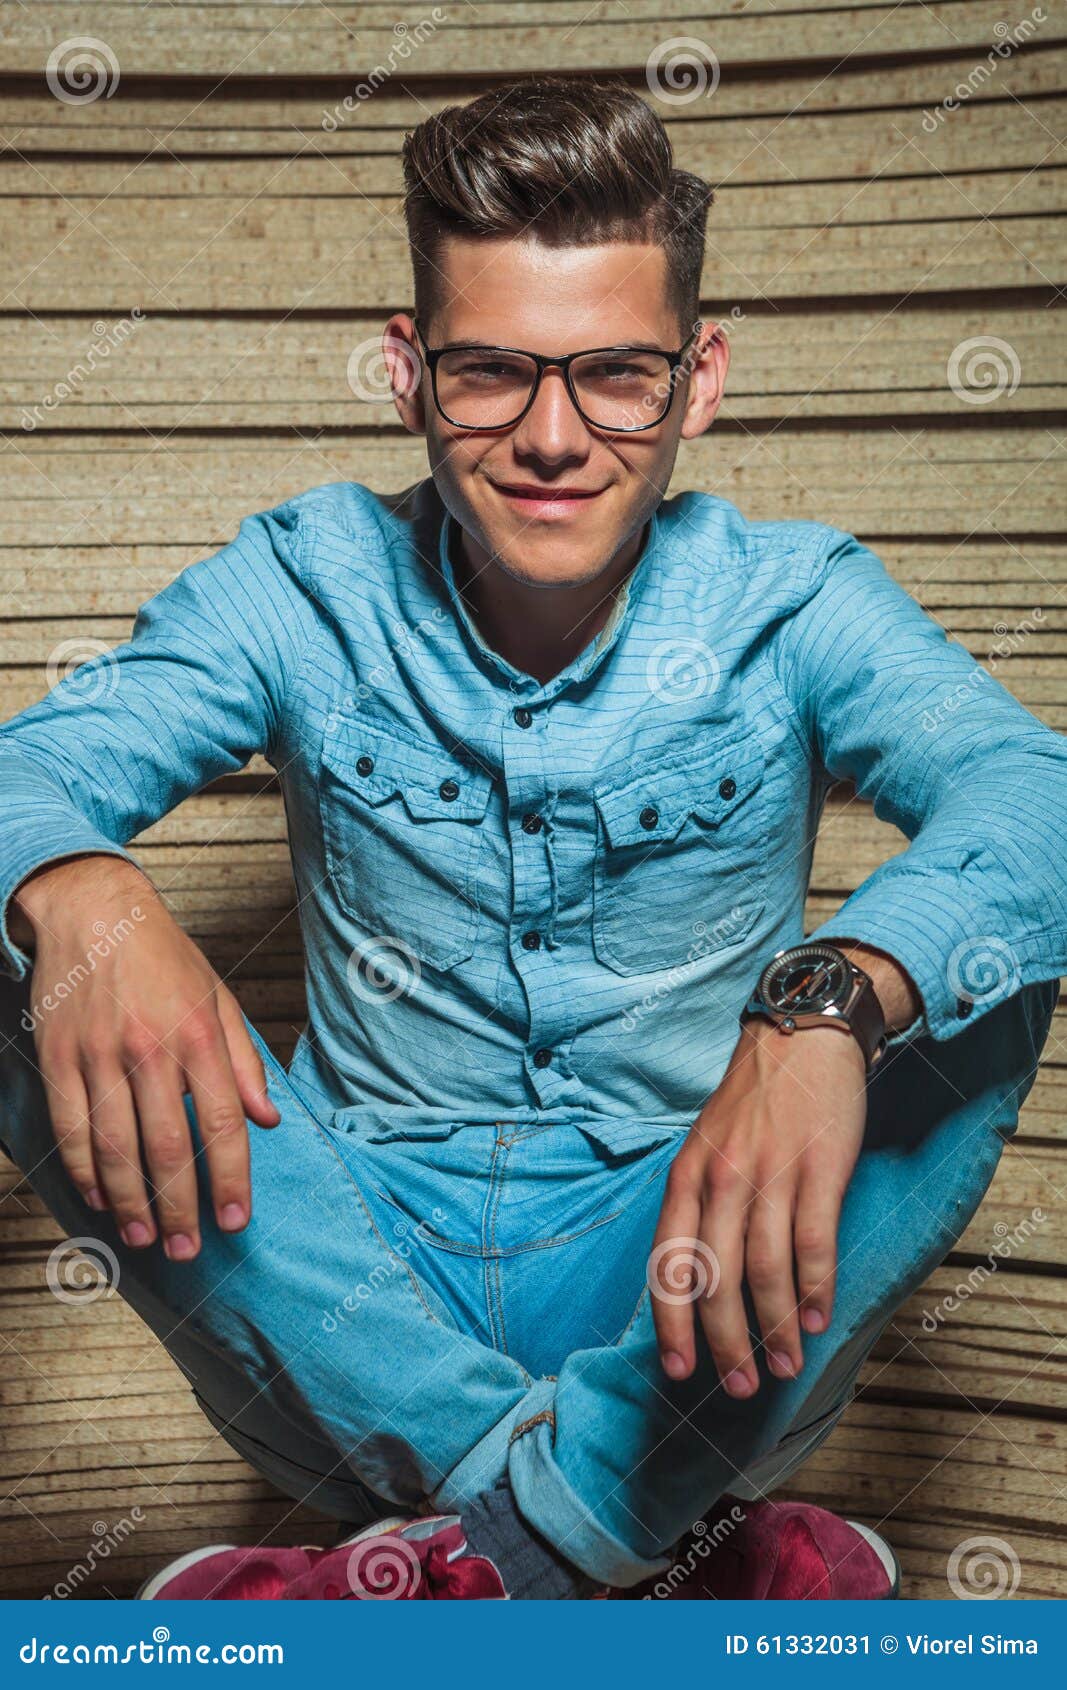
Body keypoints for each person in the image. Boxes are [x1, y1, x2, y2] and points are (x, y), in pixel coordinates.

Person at [0, 75, 1062, 1603]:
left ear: (699, 378)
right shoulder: (302, 580)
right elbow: (28, 776)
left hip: (689, 1286)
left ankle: (483, 1549)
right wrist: (82, 884)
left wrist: (824, 1002)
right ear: (406, 368)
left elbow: (1038, 797)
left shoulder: (799, 599)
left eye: (616, 375)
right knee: (20, 945)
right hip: (345, 1296)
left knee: (987, 958)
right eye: (492, 370)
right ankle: (621, 1530)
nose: (554, 437)